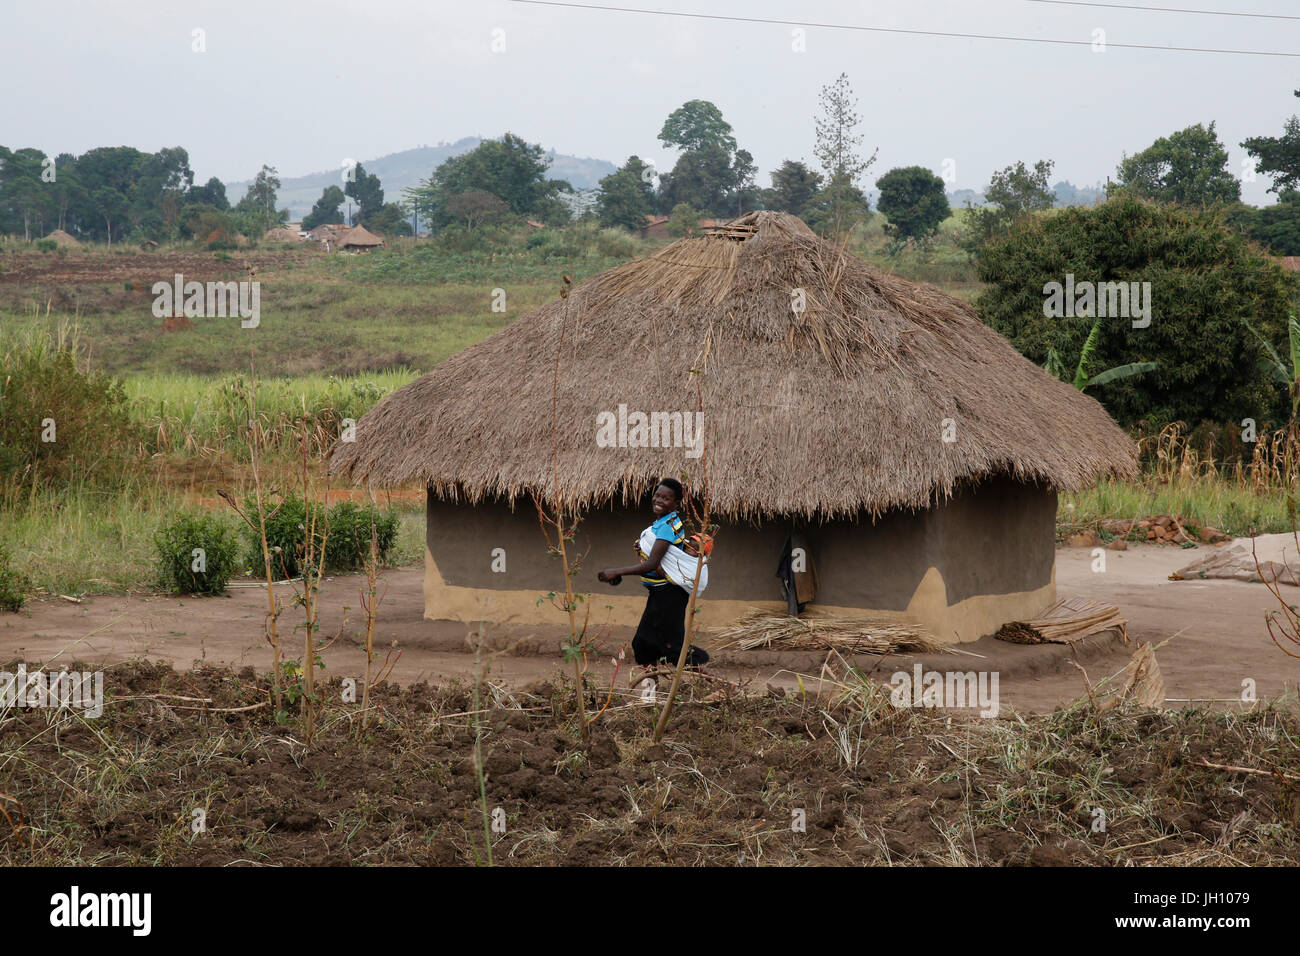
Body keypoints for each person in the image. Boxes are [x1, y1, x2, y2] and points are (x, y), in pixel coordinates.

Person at [597, 478, 710, 669]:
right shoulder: (663, 523)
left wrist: (616, 571)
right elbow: (654, 558)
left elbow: (652, 564)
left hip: (669, 595)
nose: (659, 500)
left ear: (676, 504)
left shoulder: (667, 526)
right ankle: (650, 691)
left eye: (666, 498)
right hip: (660, 594)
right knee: (644, 644)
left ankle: (716, 683)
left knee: (672, 647)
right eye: (657, 495)